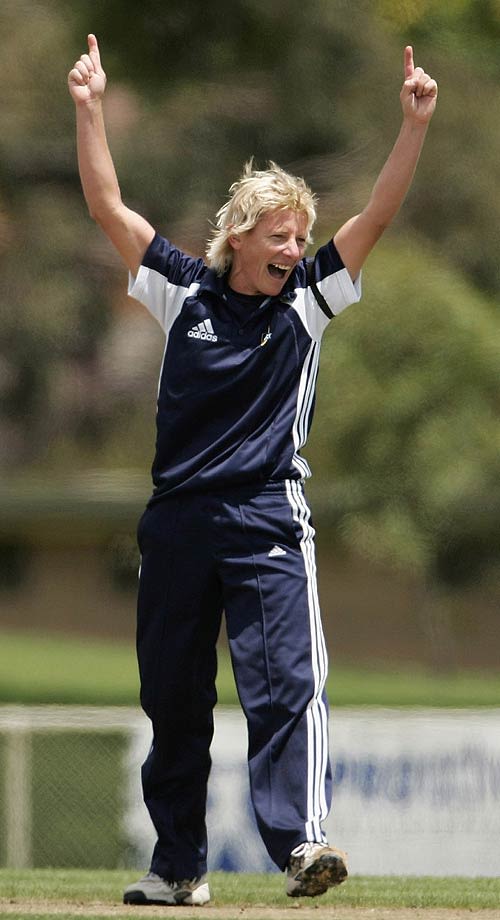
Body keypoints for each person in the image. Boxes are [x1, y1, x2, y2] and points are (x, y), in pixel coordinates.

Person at [68, 35, 437, 906]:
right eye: (282, 235)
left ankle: (303, 845)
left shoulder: (308, 301)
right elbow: (106, 204)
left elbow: (376, 216)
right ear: (240, 236)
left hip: (268, 522)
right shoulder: (183, 292)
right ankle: (177, 869)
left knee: (286, 692)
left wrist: (413, 124)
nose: (296, 247)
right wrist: (89, 107)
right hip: (177, 524)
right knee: (174, 706)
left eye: (303, 236)